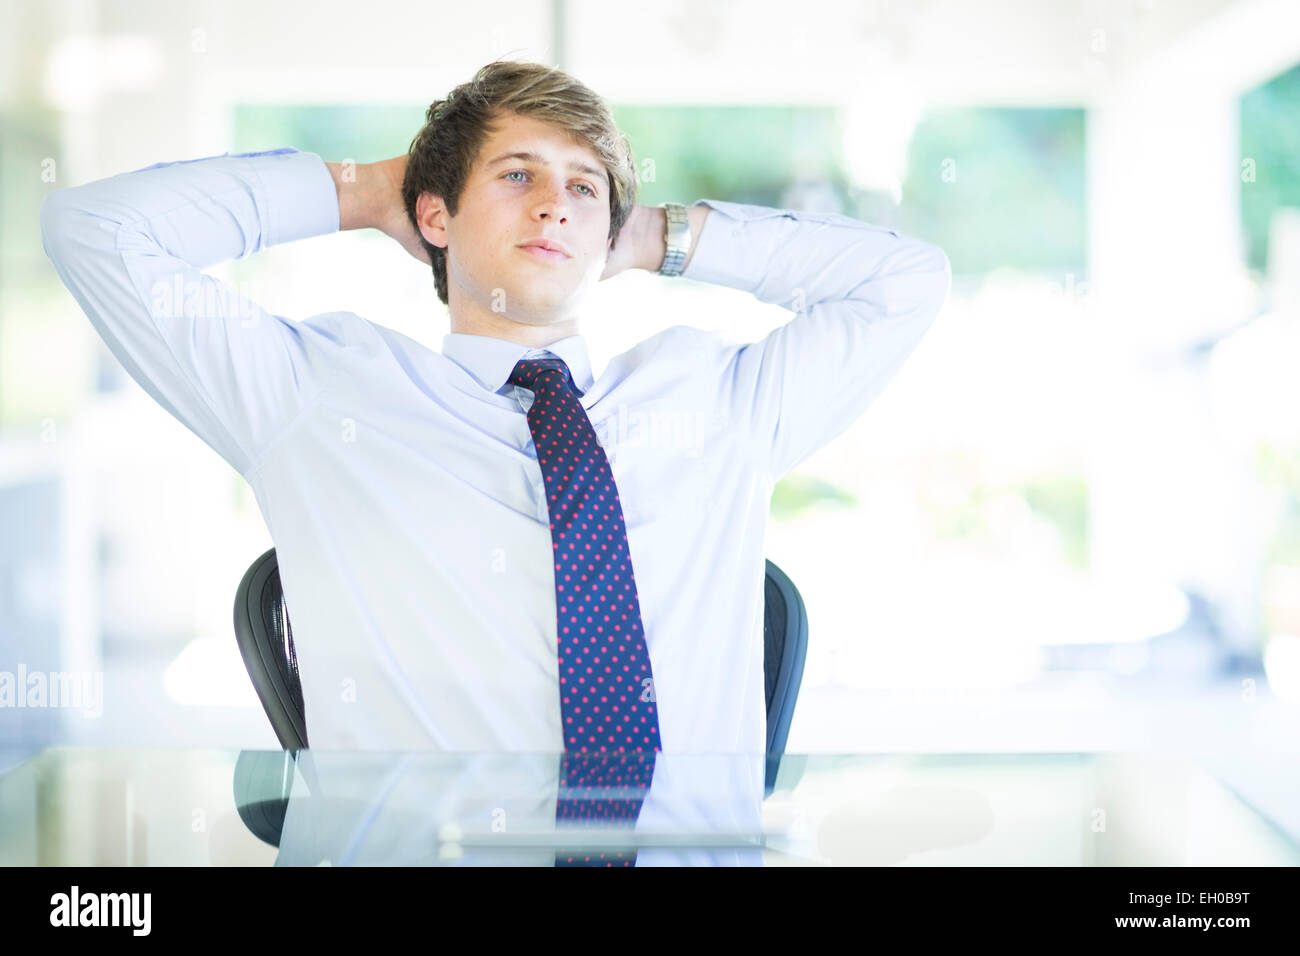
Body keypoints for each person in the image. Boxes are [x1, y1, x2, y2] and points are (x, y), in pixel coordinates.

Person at [40, 59, 951, 768]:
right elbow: (96, 232)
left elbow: (906, 282)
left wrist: (660, 234)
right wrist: (364, 189)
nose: (556, 202)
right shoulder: (318, 398)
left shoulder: (715, 402)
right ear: (432, 217)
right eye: (517, 176)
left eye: (584, 188)